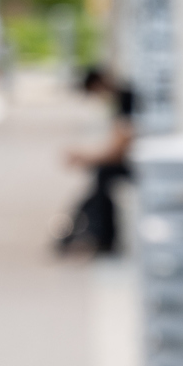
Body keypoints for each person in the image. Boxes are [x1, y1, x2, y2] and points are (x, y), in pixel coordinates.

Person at [57, 66, 138, 256]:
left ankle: (102, 236)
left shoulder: (127, 98)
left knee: (103, 176)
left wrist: (87, 157)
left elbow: (120, 147)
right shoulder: (122, 99)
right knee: (102, 177)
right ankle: (99, 235)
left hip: (144, 162)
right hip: (137, 159)